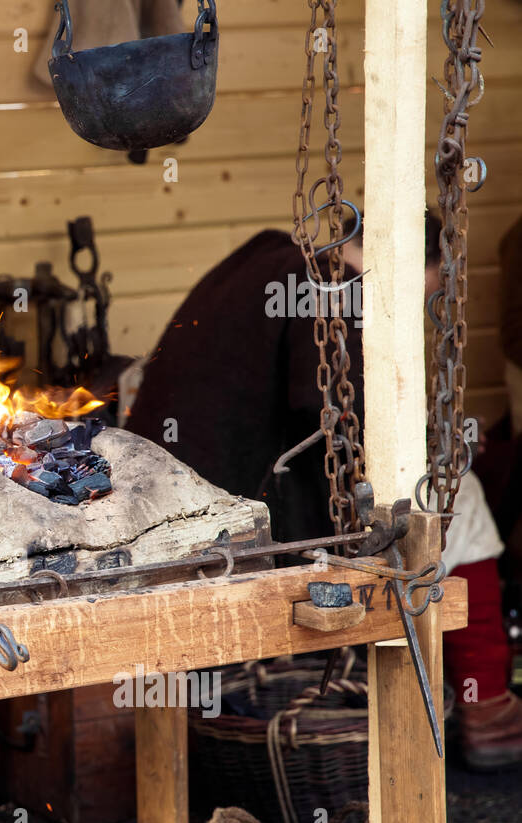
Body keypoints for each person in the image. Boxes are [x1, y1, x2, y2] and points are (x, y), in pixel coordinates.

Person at [125, 217, 522, 769]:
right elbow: (351, 427)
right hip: (225, 512)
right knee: (459, 494)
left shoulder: (262, 258)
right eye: (424, 292)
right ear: (406, 267)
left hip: (168, 497)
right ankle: (488, 709)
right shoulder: (333, 292)